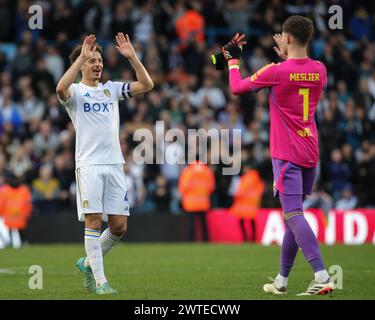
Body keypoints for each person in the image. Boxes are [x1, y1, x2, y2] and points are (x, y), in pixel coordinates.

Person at [222, 16, 334, 295]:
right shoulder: (320, 70)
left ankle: (321, 275)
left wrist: (232, 61)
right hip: (310, 152)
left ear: (286, 39)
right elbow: (300, 77)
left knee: (294, 215)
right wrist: (289, 60)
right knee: (294, 214)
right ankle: (281, 281)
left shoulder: (276, 71)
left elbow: (237, 88)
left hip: (286, 153)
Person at [56, 33, 153, 294]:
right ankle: (101, 282)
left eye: (99, 60)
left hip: (113, 165)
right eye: (91, 61)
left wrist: (132, 57)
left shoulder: (110, 90)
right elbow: (60, 89)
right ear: (81, 66)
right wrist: (80, 59)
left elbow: (146, 85)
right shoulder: (75, 92)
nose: (97, 64)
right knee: (94, 220)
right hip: (88, 165)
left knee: (119, 226)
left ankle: (87, 263)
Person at [178, 160, 215, 242]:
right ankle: (206, 240)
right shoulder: (207, 171)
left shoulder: (188, 171)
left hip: (191, 202)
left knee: (191, 224)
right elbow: (211, 187)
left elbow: (183, 187)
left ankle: (191, 240)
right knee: (204, 223)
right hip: (203, 201)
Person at [229, 164, 265, 242]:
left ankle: (246, 238)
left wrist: (235, 195)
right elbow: (261, 189)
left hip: (245, 204)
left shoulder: (248, 177)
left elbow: (242, 190)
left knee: (242, 221)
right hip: (252, 204)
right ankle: (253, 238)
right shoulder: (256, 177)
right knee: (251, 221)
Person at [0, 174, 32, 249]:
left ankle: (23, 242)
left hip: (20, 216)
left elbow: (27, 203)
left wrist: (27, 213)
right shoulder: (4, 191)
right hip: (7, 217)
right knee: (8, 231)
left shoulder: (24, 190)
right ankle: (9, 242)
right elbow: (1, 204)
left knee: (21, 230)